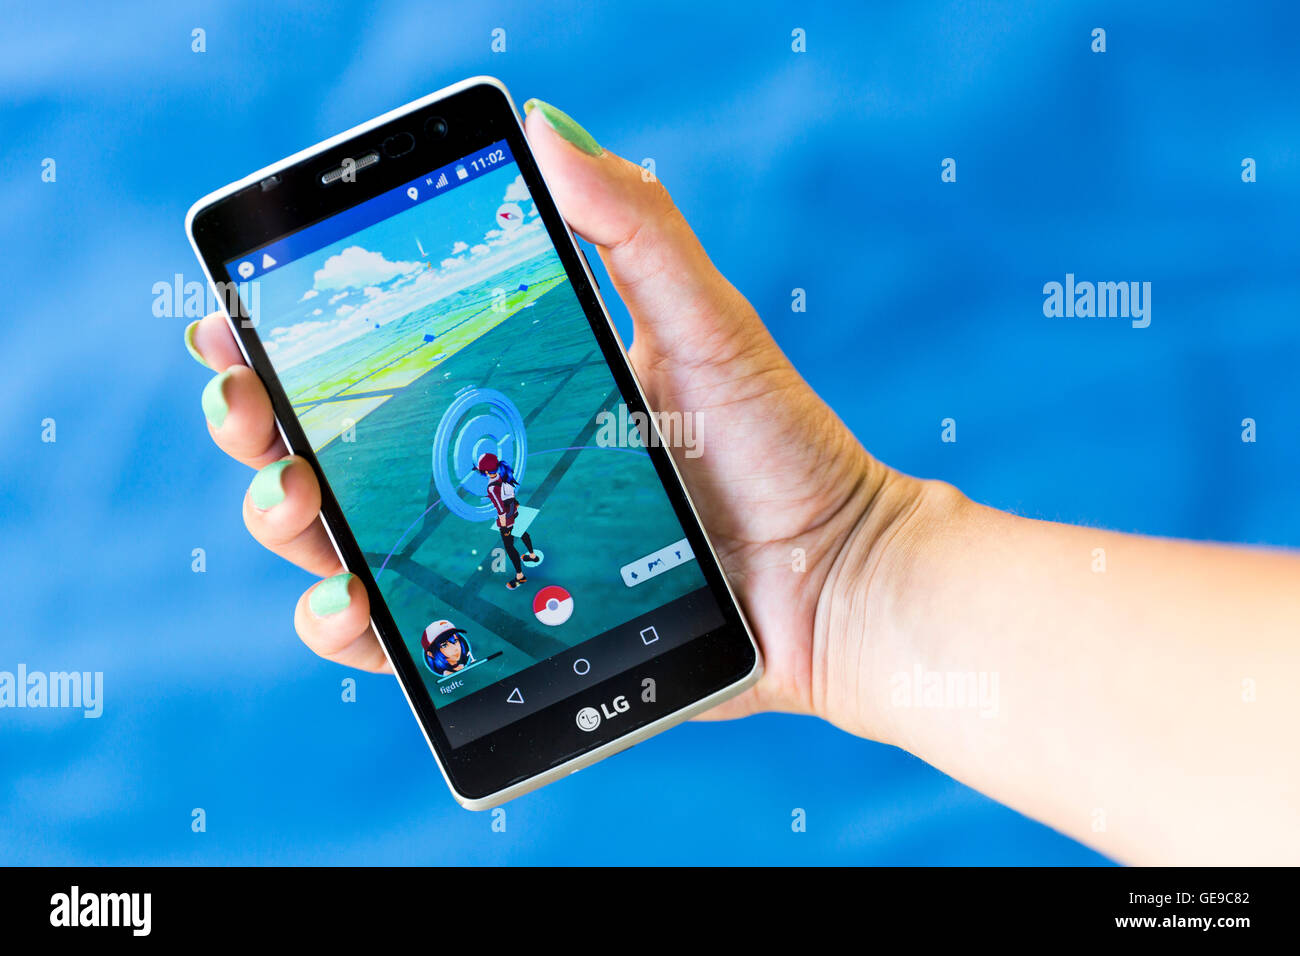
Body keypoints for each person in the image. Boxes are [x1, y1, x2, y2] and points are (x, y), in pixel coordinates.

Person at [185, 98, 1300, 865]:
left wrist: (855, 566)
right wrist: (856, 578)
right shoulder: (488, 467)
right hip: (666, 563)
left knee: (498, 547)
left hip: (636, 551)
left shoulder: (496, 466)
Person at [475, 451, 539, 590]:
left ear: (485, 471)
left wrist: (504, 529)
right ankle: (532, 556)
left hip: (506, 519)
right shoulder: (504, 476)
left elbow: (500, 510)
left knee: (509, 547)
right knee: (523, 532)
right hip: (515, 509)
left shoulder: (491, 488)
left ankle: (520, 577)